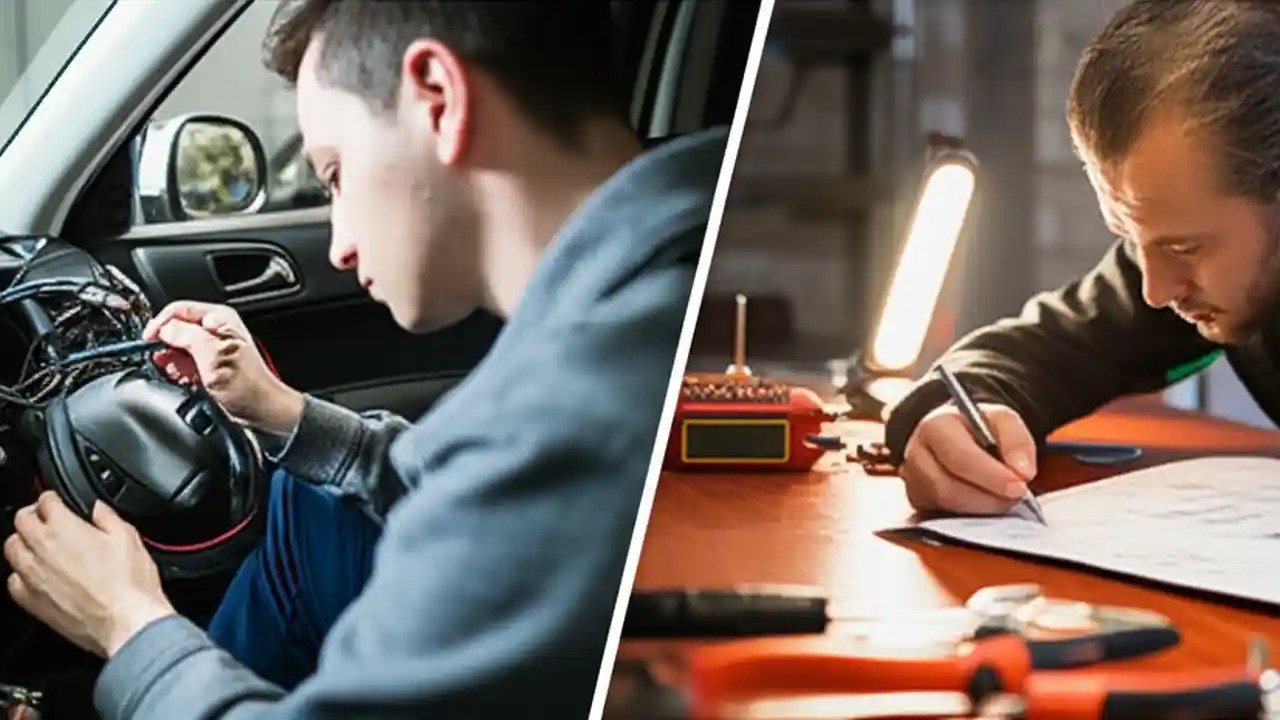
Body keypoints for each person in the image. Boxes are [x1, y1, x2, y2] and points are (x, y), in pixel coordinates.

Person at [1, 2, 728, 718]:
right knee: (311, 496)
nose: (342, 244)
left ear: (438, 100)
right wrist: (285, 417)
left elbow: (517, 473)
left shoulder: (577, 404)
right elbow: (479, 489)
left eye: (336, 174)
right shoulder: (653, 297)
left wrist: (128, 627)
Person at [883, 0, 1280, 515]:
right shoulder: (1187, 268)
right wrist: (966, 414)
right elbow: (1054, 346)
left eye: (1185, 247)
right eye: (1134, 239)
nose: (1155, 292)